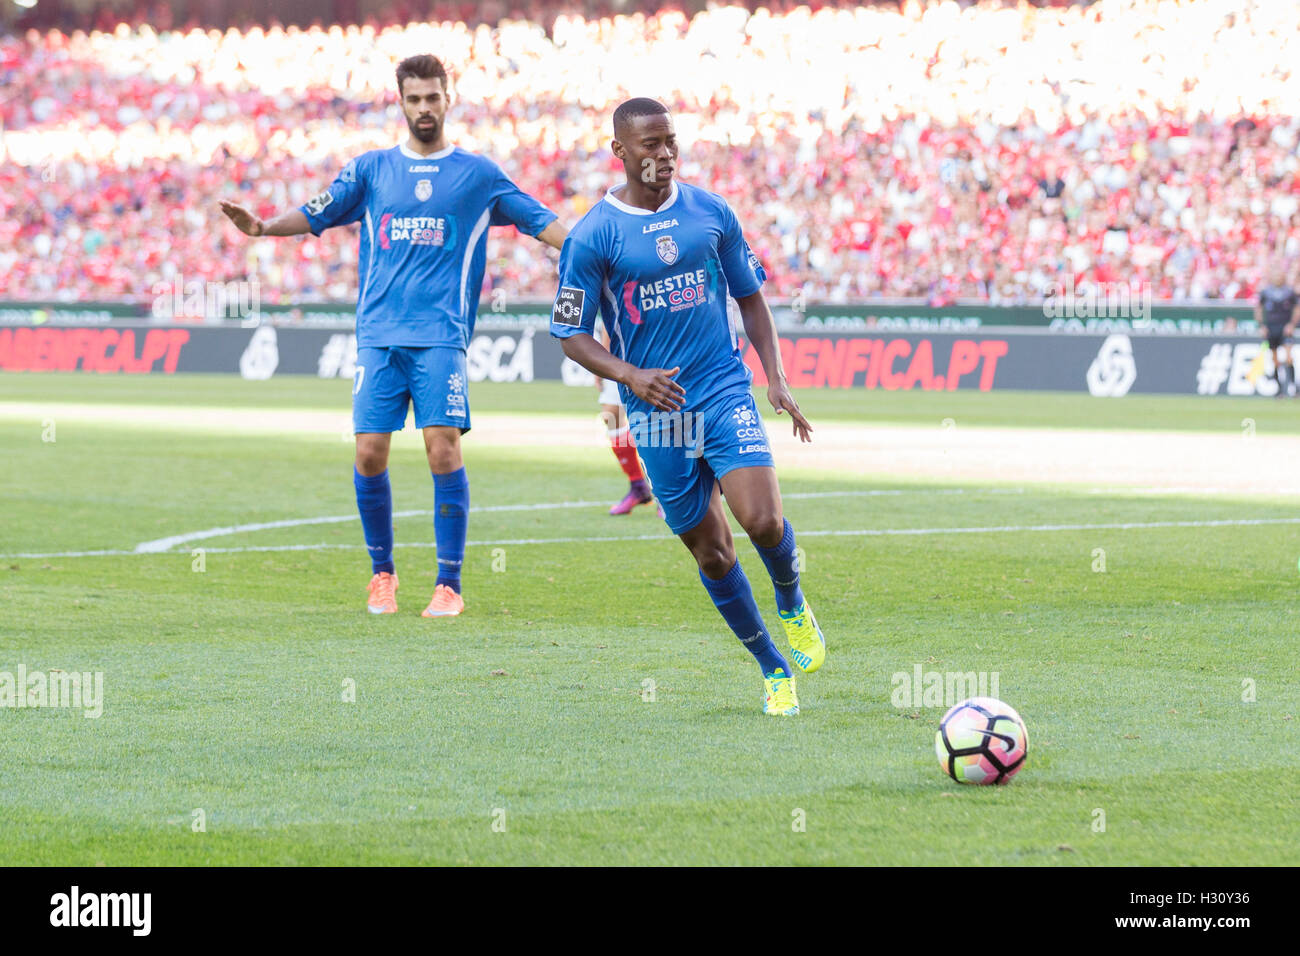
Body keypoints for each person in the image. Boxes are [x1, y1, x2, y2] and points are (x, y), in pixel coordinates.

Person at [220, 54, 567, 616]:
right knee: (369, 453)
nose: (424, 108)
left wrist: (590, 248)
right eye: (414, 99)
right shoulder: (371, 170)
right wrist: (262, 227)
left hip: (440, 335)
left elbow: (538, 220)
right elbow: (316, 212)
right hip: (378, 334)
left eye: (432, 97)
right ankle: (382, 575)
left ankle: (448, 584)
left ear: (448, 98)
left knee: (442, 449)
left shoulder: (478, 175)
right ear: (400, 102)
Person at [550, 97, 825, 716]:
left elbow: (752, 298)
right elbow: (569, 332)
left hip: (722, 387)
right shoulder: (593, 234)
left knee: (763, 522)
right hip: (657, 413)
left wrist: (773, 377)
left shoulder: (710, 211)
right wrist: (629, 377)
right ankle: (773, 668)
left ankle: (791, 600)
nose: (665, 154)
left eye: (670, 141)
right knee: (713, 550)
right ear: (620, 151)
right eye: (650, 144)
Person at [595, 320, 662, 517]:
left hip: (653, 354)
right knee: (611, 416)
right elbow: (609, 319)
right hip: (620, 359)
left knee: (659, 420)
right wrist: (601, 360)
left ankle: (664, 493)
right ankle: (638, 486)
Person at [1255, 266, 1299, 398]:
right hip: (1271, 327)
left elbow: (1297, 308)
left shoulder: (1290, 292)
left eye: (1280, 275)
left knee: (1289, 357)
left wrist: (1292, 324)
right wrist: (1261, 325)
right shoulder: (1266, 292)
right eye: (1276, 275)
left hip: (1285, 327)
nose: (1278, 278)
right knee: (1275, 360)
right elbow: (1258, 308)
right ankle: (1279, 389)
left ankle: (1294, 388)